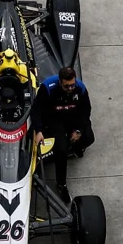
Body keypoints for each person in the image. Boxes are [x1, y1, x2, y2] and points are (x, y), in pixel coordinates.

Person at [31, 66, 93, 201]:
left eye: (72, 86)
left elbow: (86, 111)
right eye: (67, 86)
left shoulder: (80, 88)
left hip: (73, 118)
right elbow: (36, 110)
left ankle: (75, 148)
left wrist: (79, 131)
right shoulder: (47, 88)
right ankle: (61, 184)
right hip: (55, 121)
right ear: (60, 82)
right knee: (61, 151)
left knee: (89, 137)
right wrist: (39, 130)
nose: (70, 89)